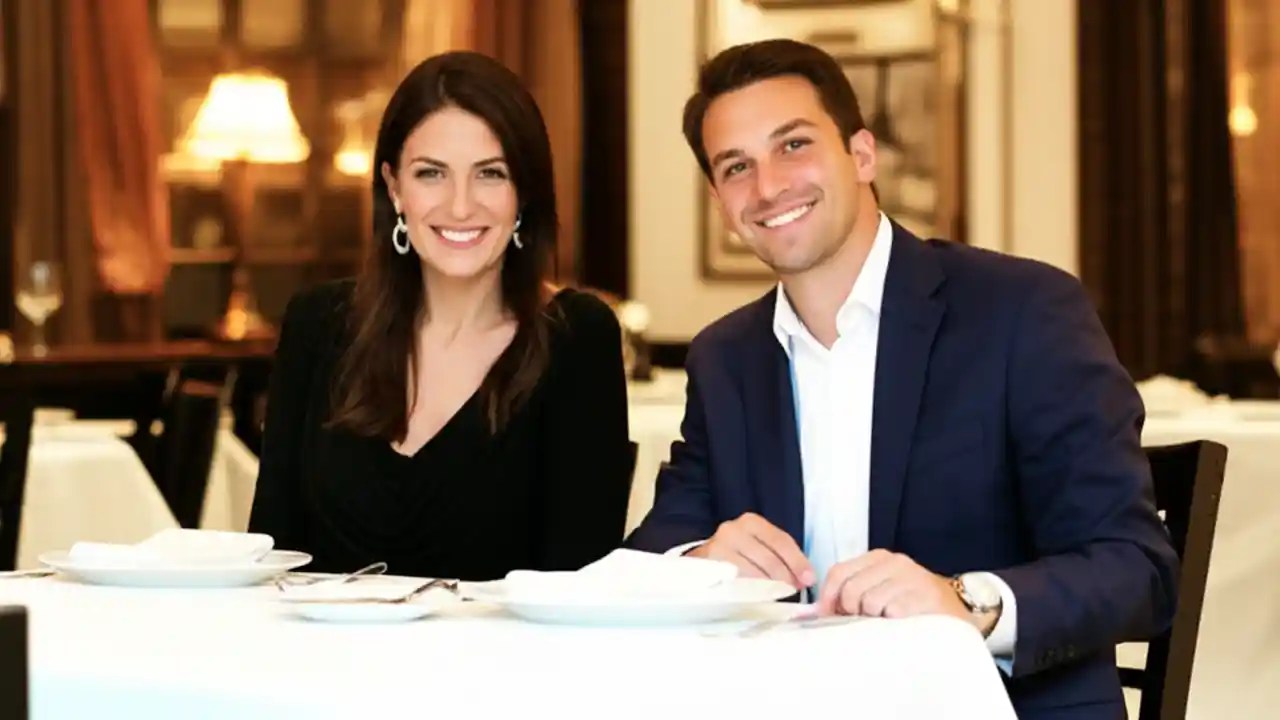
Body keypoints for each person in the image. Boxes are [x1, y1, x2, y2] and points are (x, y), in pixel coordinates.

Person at [626, 38, 1178, 718]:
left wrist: (966, 602)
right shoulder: (725, 359)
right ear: (719, 199)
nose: (768, 187)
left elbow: (1135, 569)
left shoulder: (1023, 312)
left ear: (861, 154)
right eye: (736, 166)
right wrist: (700, 559)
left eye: (793, 145)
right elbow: (654, 552)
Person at [248, 52, 632, 581]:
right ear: (394, 186)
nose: (459, 206)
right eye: (431, 174)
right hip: (326, 661)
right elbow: (271, 556)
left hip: (504, 665)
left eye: (490, 174)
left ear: (525, 194)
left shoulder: (577, 337)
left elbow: (580, 583)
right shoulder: (318, 323)